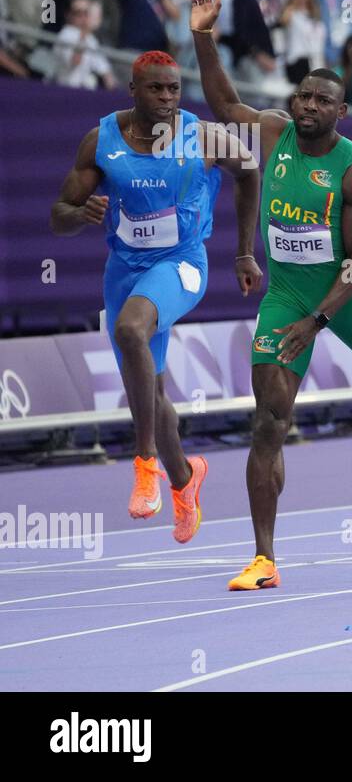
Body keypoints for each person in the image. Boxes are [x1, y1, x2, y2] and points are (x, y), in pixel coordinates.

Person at [189, 0, 352, 591]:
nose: (309, 104)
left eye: (323, 100)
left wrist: (318, 321)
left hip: (348, 292)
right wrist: (203, 36)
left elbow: (348, 261)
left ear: (342, 112)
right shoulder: (274, 133)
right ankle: (264, 558)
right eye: (304, 95)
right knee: (268, 421)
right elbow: (225, 104)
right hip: (286, 295)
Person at [49, 50, 261, 543]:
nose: (167, 99)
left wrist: (244, 252)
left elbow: (250, 172)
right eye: (156, 89)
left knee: (128, 328)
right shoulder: (101, 141)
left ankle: (145, 464)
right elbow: (58, 213)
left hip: (182, 264)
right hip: (124, 270)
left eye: (173, 89)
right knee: (154, 396)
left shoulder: (202, 136)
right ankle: (185, 481)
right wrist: (79, 215)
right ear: (133, 90)